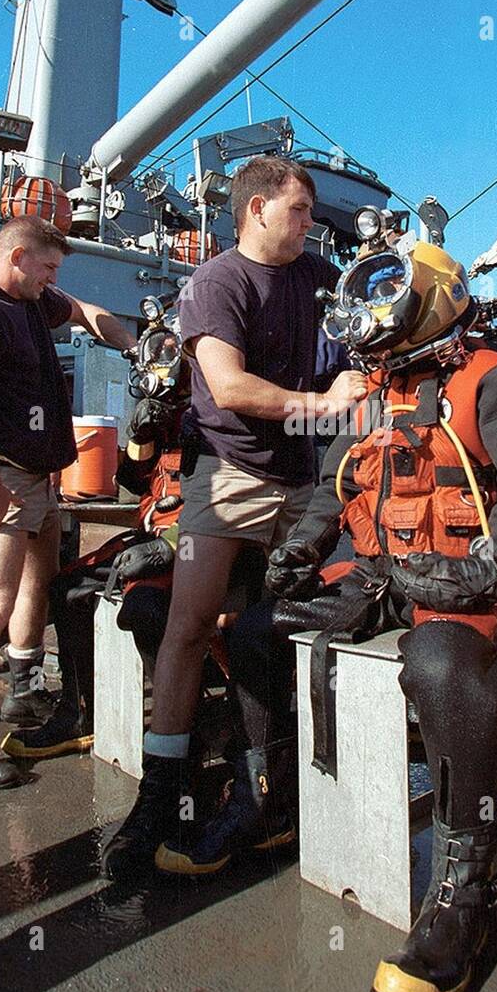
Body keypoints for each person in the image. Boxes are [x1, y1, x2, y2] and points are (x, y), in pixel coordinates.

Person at [152, 237, 497, 992]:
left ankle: (464, 888)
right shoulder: (381, 389)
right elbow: (337, 481)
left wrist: (483, 569)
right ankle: (271, 802)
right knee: (251, 633)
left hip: (458, 578)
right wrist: (302, 547)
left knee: (440, 672)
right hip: (379, 575)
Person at [102, 156, 367, 879]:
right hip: (232, 475)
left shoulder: (319, 281)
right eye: (300, 211)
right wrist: (319, 403)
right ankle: (159, 796)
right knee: (189, 625)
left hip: (309, 480)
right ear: (255, 210)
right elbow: (226, 385)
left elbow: (362, 353)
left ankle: (268, 786)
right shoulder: (216, 282)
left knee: (270, 630)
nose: (311, 225)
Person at [0, 215, 136, 787]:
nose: (52, 280)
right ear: (17, 257)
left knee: (36, 588)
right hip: (3, 477)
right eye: (46, 268)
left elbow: (86, 313)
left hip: (39, 479)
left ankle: (23, 693)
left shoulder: (32, 302)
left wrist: (132, 344)